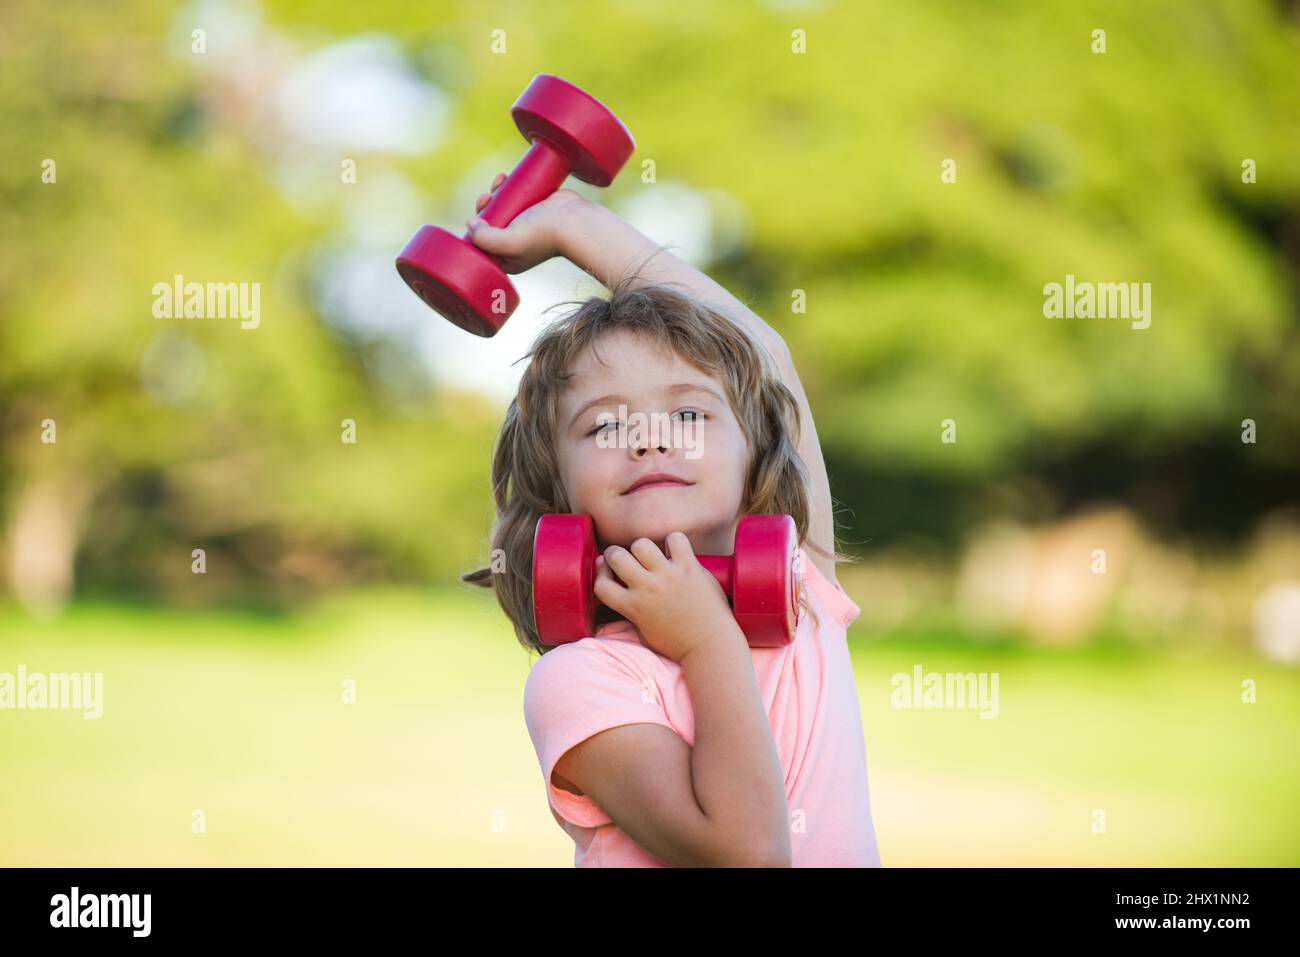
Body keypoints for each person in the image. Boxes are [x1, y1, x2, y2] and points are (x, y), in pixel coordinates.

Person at [460, 175, 882, 867]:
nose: (652, 438)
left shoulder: (802, 586)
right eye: (604, 425)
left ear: (756, 454)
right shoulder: (581, 678)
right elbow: (748, 854)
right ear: (555, 486)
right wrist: (707, 639)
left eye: (687, 413)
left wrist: (572, 223)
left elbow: (764, 354)